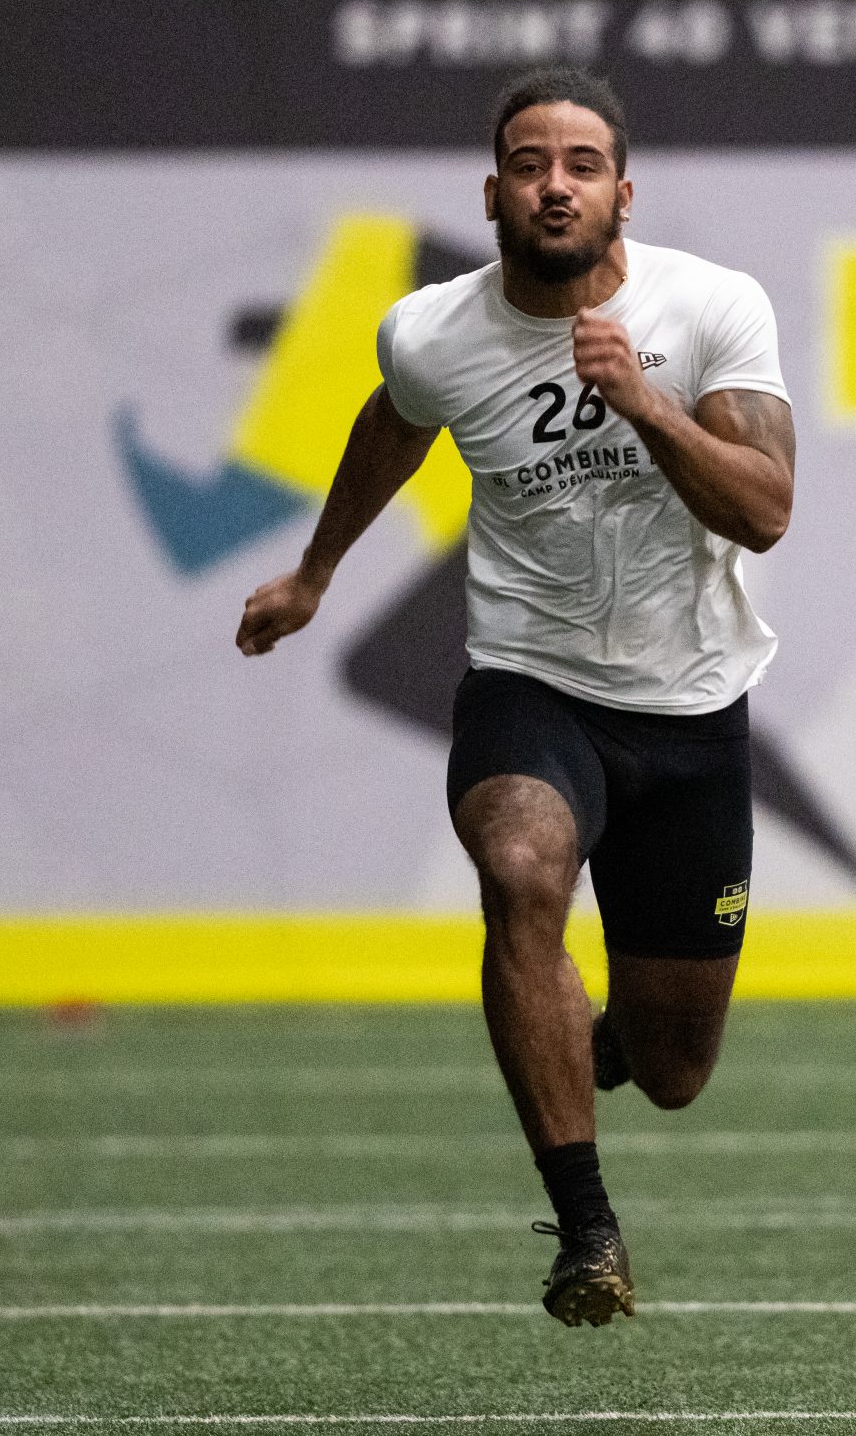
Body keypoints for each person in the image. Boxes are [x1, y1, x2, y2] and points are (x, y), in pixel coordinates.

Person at [236, 67, 794, 1327]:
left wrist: (642, 398)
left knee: (672, 1068)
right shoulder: (432, 329)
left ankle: (586, 1043)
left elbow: (763, 511)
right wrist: (316, 571)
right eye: (530, 163)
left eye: (580, 163)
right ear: (492, 193)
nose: (554, 183)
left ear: (620, 194)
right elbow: (396, 418)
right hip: (528, 682)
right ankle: (585, 1225)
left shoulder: (708, 308)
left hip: (692, 706)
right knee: (521, 860)